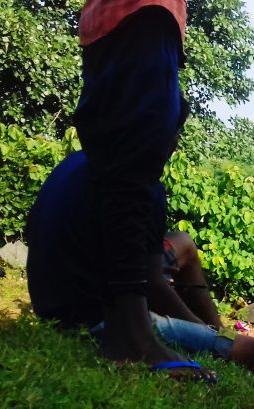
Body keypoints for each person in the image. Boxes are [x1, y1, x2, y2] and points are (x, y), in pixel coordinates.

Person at [27, 151, 254, 382]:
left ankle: (216, 329)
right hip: (90, 322)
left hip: (48, 303)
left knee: (183, 243)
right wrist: (206, 335)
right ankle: (220, 340)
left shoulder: (73, 162)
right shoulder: (142, 182)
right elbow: (152, 283)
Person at [71, 0, 189, 370]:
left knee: (112, 170)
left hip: (106, 23)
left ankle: (120, 322)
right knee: (135, 168)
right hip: (144, 14)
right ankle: (136, 335)